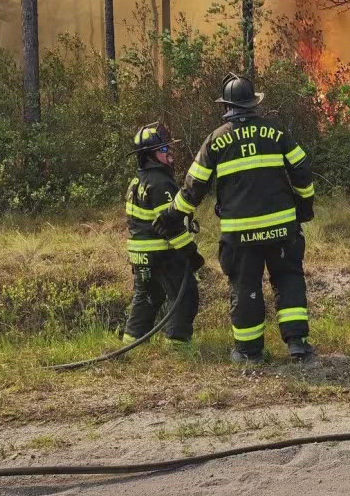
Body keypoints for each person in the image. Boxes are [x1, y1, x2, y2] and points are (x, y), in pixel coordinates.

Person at [160, 75, 316, 362]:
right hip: (282, 227)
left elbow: (194, 186)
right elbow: (302, 168)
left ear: (228, 106)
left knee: (245, 286)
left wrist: (173, 213)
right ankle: (298, 343)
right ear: (253, 103)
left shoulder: (216, 139)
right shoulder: (277, 132)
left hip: (240, 233)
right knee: (288, 278)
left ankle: (248, 351)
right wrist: (305, 204)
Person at [121, 123, 201, 347]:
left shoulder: (137, 181)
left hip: (140, 254)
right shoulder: (160, 182)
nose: (171, 154)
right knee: (185, 296)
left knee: (147, 298)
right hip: (162, 253)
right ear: (150, 156)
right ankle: (177, 345)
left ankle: (131, 343)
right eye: (164, 150)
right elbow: (170, 225)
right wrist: (190, 252)